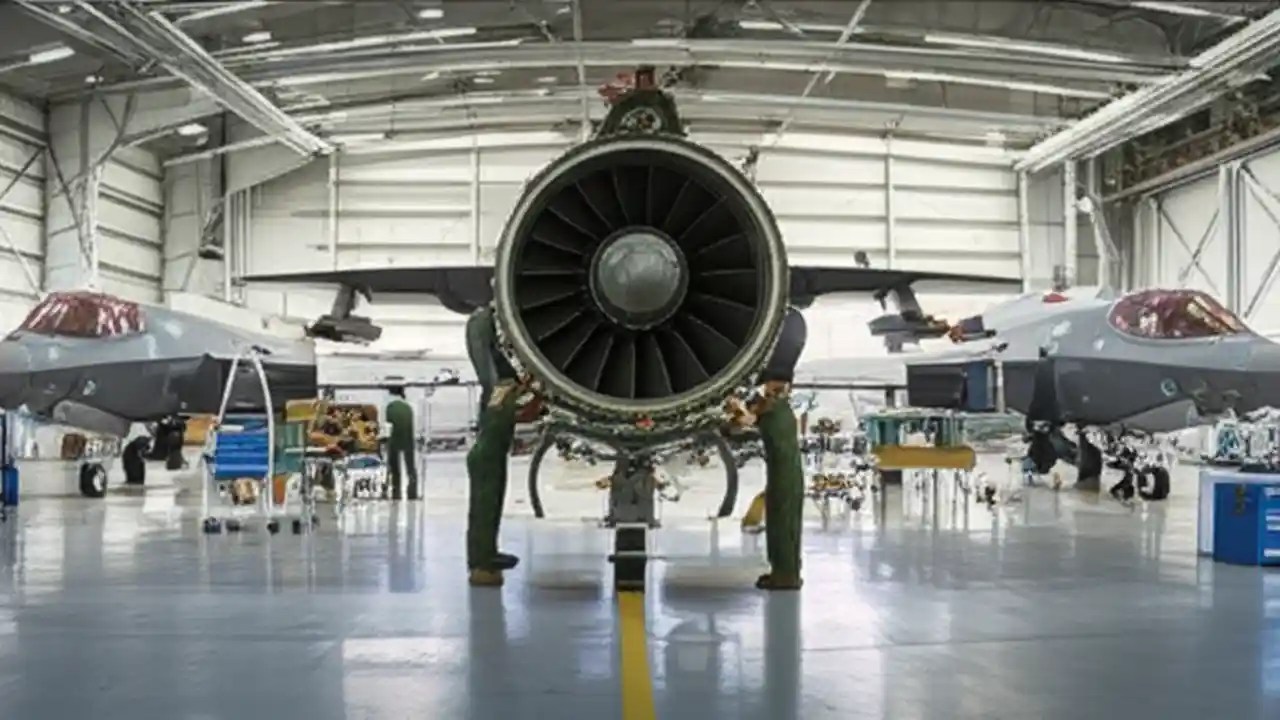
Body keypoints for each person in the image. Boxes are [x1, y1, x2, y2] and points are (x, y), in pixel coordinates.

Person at [734, 307, 807, 591]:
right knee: (785, 530)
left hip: (783, 481)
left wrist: (733, 415)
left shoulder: (771, 408)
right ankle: (786, 573)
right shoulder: (782, 408)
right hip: (786, 478)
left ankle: (785, 577)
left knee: (782, 529)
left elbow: (746, 419)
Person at [464, 304, 526, 587]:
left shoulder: (497, 394)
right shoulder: (501, 396)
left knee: (483, 511)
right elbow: (519, 408)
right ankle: (483, 561)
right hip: (488, 457)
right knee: (486, 509)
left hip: (489, 454)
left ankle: (484, 558)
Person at [385, 386, 419, 500]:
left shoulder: (390, 406)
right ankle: (413, 491)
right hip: (408, 438)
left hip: (394, 438)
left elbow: (386, 426)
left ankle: (396, 491)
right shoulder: (408, 406)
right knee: (410, 466)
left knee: (394, 467)